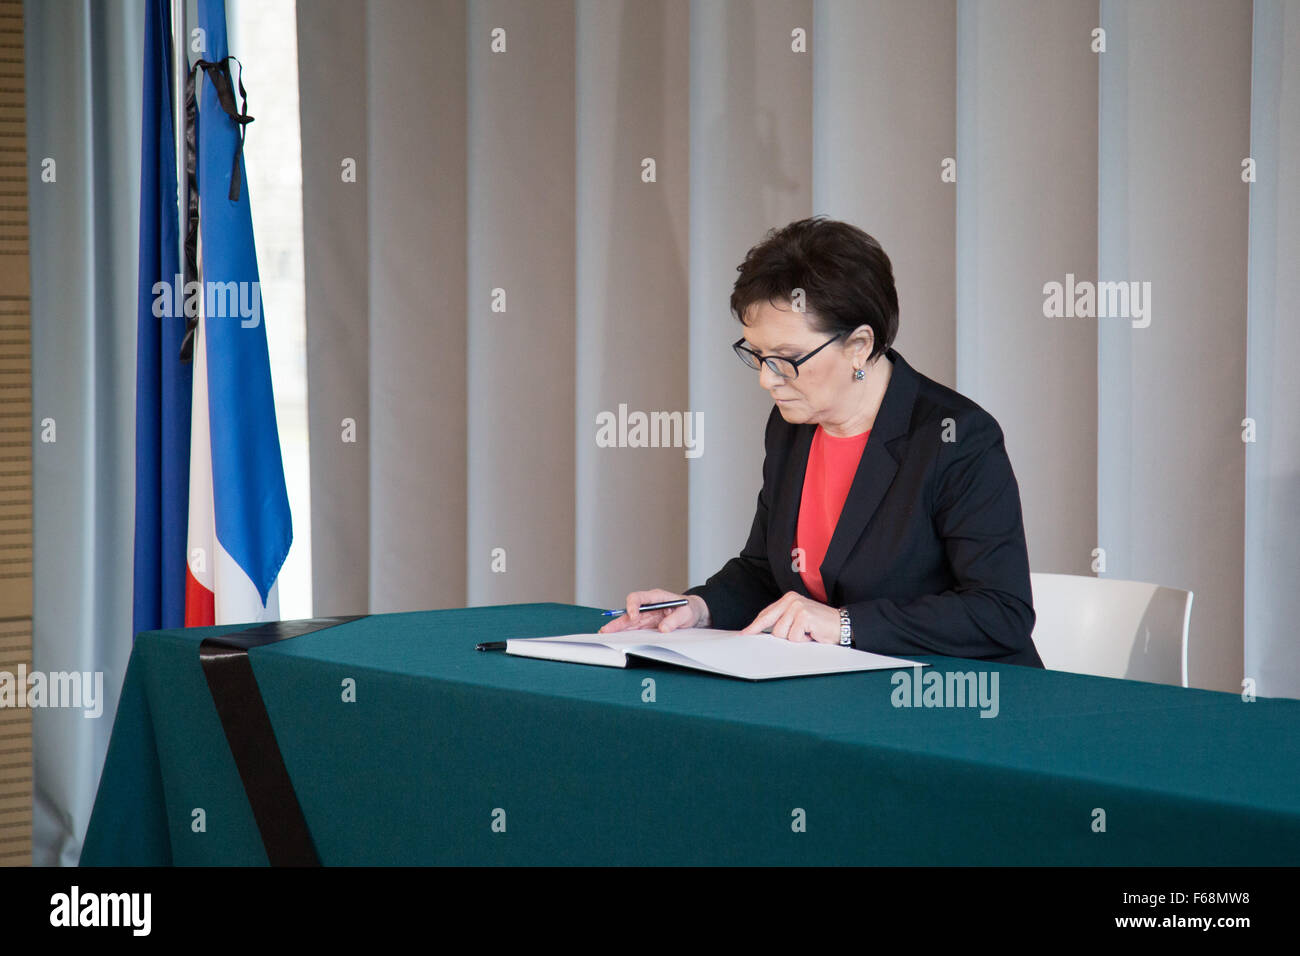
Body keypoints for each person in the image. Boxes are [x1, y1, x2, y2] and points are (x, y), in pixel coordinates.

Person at [599, 216, 1043, 667]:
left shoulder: (956, 436)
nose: (767, 381)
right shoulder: (792, 425)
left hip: (960, 701)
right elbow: (764, 572)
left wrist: (843, 624)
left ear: (859, 345)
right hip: (845, 688)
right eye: (757, 356)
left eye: (787, 360)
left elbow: (1000, 611)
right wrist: (697, 609)